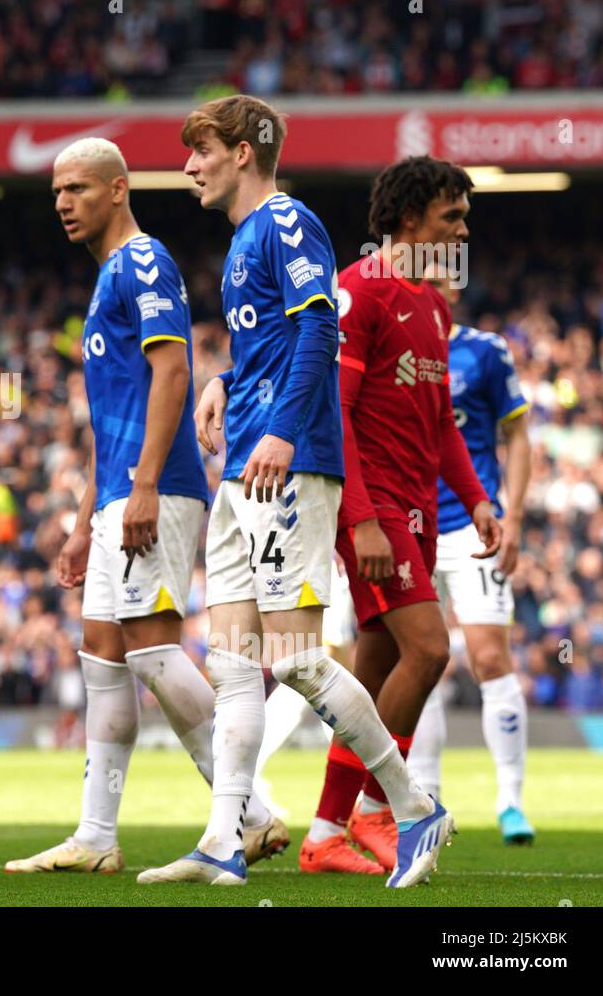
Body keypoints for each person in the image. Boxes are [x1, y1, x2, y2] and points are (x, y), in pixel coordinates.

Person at [147, 96, 450, 889]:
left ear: (243, 151)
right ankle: (222, 840)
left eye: (201, 151)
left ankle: (415, 807)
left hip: (289, 463)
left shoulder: (287, 222)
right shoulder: (248, 236)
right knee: (237, 665)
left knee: (301, 658)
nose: (189, 167)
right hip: (245, 466)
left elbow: (321, 327)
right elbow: (279, 340)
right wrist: (225, 381)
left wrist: (282, 428)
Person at [6, 137, 287, 877]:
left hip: (154, 491)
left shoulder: (142, 262)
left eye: (79, 188)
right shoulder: (107, 280)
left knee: (155, 649)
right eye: (57, 191)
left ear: (118, 188)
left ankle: (249, 813)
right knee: (104, 656)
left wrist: (144, 483)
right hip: (116, 496)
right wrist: (80, 519)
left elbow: (172, 372)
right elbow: (113, 410)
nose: (64, 202)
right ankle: (97, 835)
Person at [302, 155, 501, 876]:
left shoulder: (436, 304)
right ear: (410, 219)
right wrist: (360, 519)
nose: (463, 226)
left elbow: (443, 423)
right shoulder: (360, 294)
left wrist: (476, 496)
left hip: (417, 509)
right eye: (453, 215)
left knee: (379, 663)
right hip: (375, 509)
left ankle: (325, 832)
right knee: (430, 649)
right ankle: (383, 809)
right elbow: (336, 416)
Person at [408, 271, 534, 844]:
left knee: (488, 658)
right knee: (422, 661)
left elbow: (518, 433)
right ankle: (428, 797)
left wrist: (516, 513)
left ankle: (510, 800)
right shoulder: (393, 349)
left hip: (471, 523)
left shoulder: (485, 352)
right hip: (407, 524)